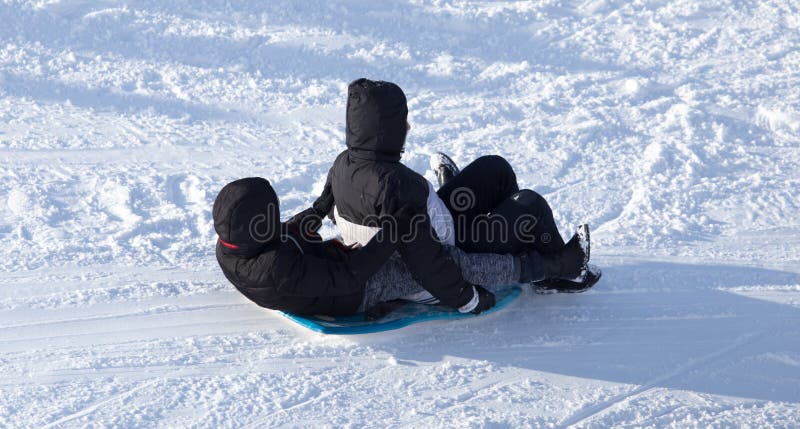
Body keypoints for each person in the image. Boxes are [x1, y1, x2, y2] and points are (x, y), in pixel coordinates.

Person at [291, 78, 599, 312]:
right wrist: (467, 300)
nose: (408, 126)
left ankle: (513, 234)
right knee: (531, 205)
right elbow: (429, 263)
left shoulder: (345, 162)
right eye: (402, 120)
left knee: (495, 168)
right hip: (453, 252)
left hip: (433, 229)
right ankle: (557, 273)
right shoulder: (399, 185)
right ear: (386, 129)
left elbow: (324, 207)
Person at [213, 177, 590, 317]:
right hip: (359, 291)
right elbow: (350, 276)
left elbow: (286, 237)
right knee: (446, 264)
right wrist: (392, 233)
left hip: (334, 268)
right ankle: (553, 267)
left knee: (413, 234)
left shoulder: (232, 248)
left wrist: (313, 213)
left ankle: (446, 205)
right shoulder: (274, 269)